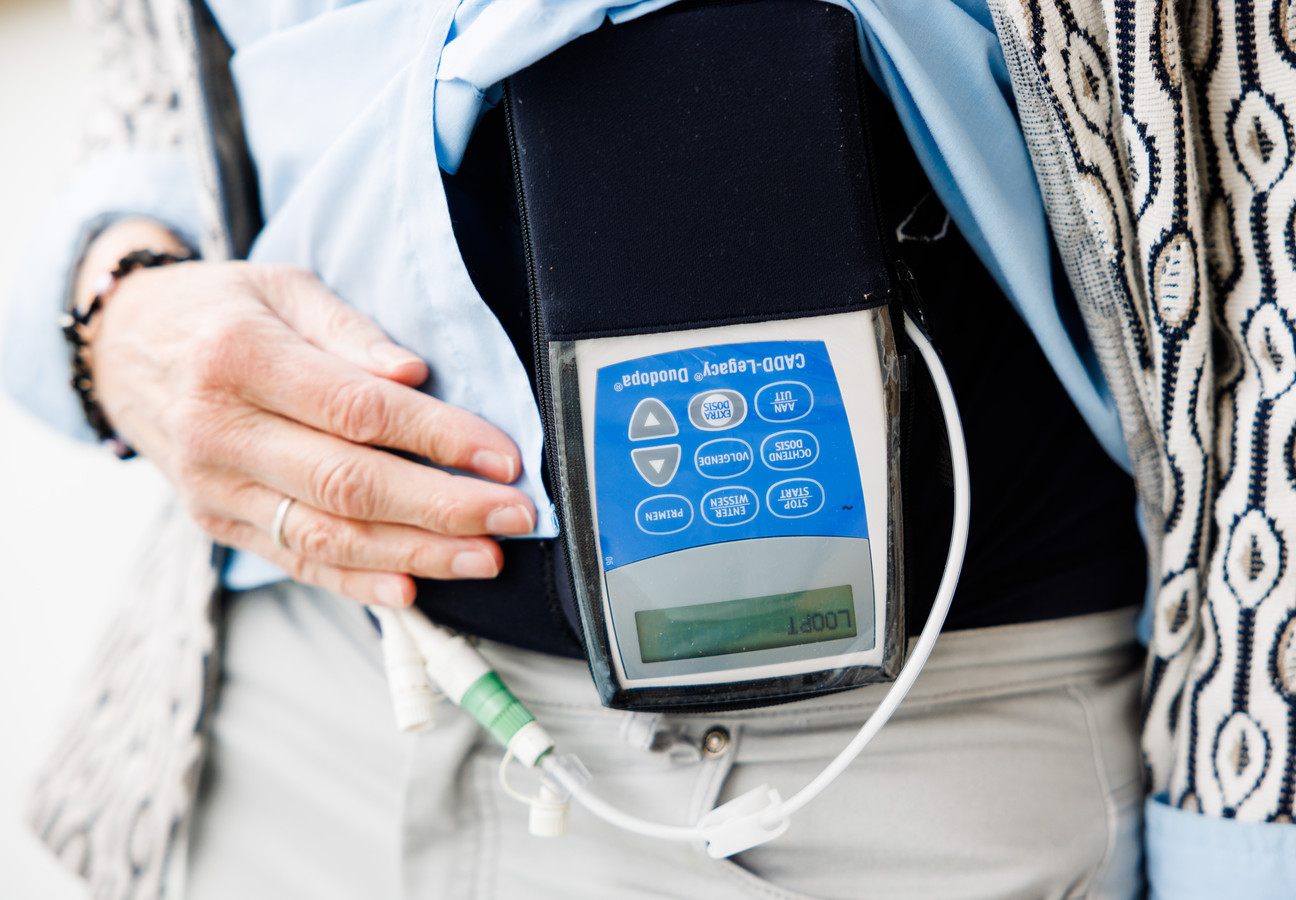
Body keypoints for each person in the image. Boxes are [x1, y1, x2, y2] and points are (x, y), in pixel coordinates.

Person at [11, 0, 1292, 897]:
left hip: (894, 786)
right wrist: (112, 310)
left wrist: (1256, 845)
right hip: (303, 714)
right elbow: (163, 77)